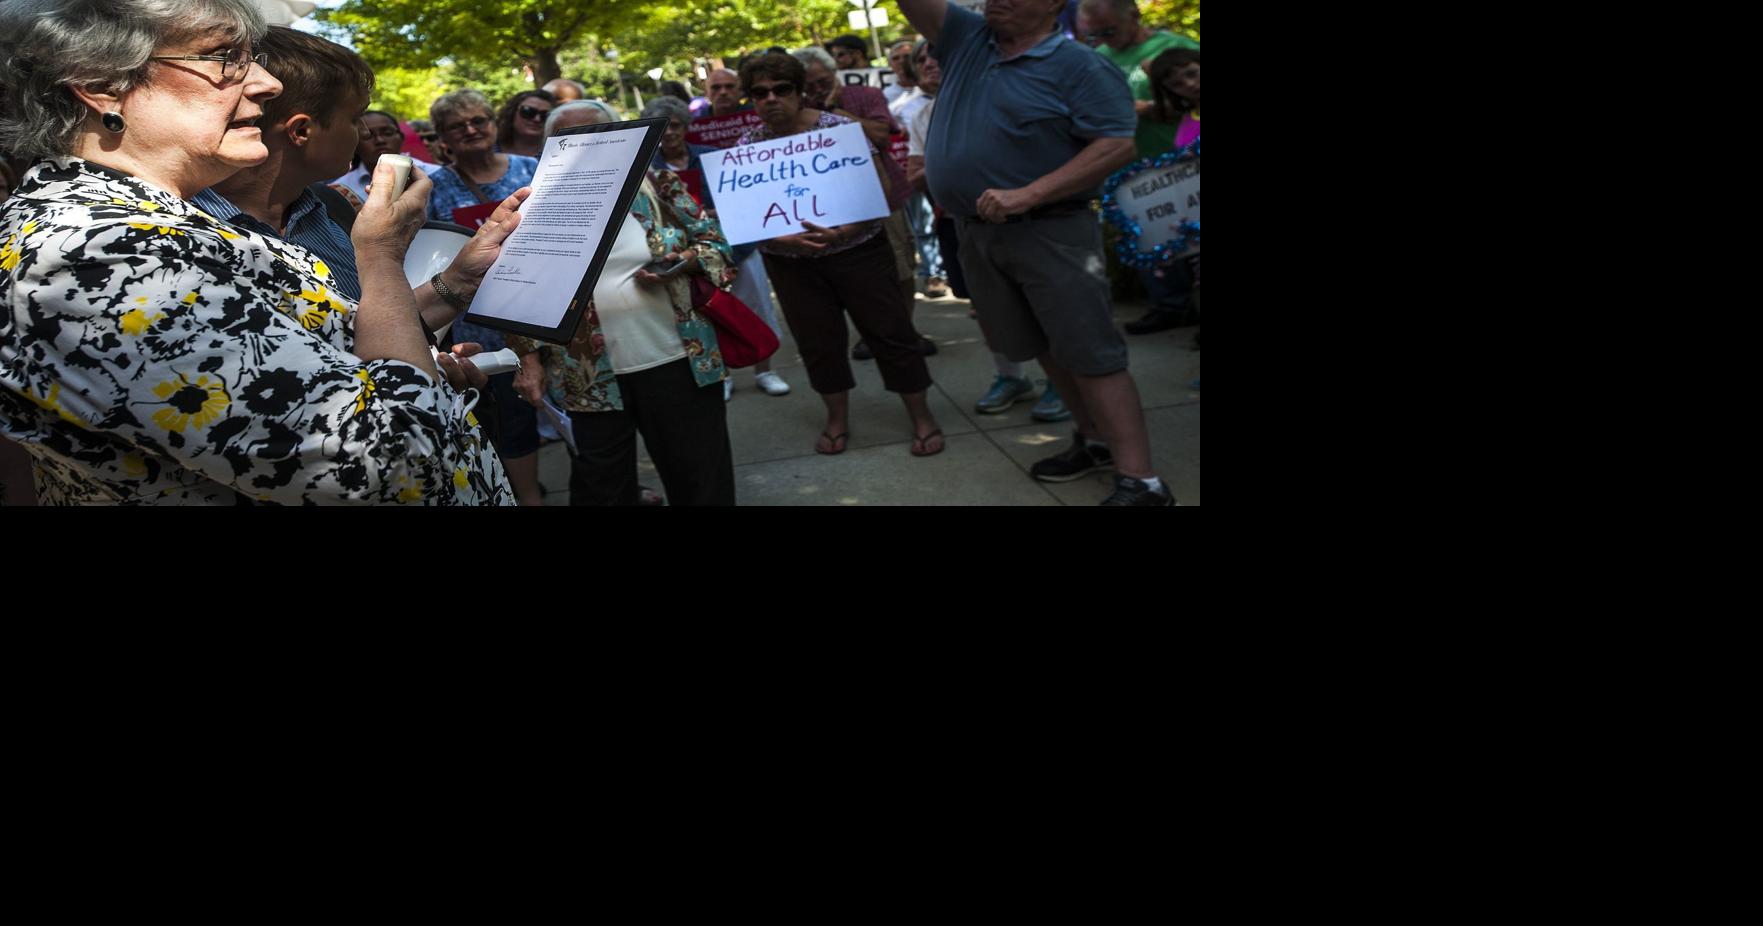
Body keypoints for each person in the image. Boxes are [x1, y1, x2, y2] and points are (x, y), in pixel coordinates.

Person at [0, 0, 521, 504]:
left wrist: (441, 320)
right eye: (224, 57)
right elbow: (389, 460)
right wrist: (381, 256)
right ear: (100, 85)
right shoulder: (91, 256)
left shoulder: (149, 226)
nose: (267, 84)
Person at [898, 0, 1175, 504]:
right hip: (978, 233)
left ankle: (1142, 481)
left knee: (1091, 353)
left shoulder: (1080, 65)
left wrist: (1030, 193)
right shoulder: (969, 39)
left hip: (1051, 231)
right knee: (1044, 345)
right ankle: (1093, 439)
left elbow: (1116, 145)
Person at [507, 102, 739, 506]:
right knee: (602, 488)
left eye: (598, 134)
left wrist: (684, 260)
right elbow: (518, 286)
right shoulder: (534, 207)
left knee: (700, 479)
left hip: (678, 361)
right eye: (569, 139)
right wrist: (529, 360)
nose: (586, 145)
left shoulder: (660, 186)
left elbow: (717, 246)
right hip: (588, 376)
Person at [736, 53, 945, 458]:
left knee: (891, 333)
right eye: (760, 93)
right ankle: (836, 420)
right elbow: (746, 215)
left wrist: (846, 230)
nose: (771, 99)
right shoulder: (747, 147)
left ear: (799, 92)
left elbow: (880, 187)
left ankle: (921, 416)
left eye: (781, 89)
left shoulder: (838, 129)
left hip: (859, 252)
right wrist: (783, 240)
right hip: (791, 263)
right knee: (818, 342)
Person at [641, 97, 792, 400]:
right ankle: (724, 375)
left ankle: (765, 370)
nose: (669, 132)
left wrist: (713, 212)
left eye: (675, 125)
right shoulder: (648, 170)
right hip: (689, 255)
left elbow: (745, 197)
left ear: (686, 126)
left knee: (756, 306)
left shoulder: (712, 156)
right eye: (663, 127)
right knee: (710, 313)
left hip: (738, 245)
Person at [1076, 0, 1199, 337]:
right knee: (1146, 236)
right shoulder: (1099, 57)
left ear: (1134, 15)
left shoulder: (1173, 46)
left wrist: (1146, 109)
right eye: (1095, 34)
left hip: (1180, 162)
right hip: (1127, 170)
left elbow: (1191, 99)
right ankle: (1169, 306)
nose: (1103, 39)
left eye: (1109, 30)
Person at [330, 109, 442, 204]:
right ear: (355, 144)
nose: (380, 140)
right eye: (368, 136)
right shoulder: (340, 188)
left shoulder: (437, 174)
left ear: (401, 138)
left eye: (388, 133)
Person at [495, 88, 555, 159]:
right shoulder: (489, 146)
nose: (537, 119)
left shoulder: (558, 152)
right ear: (512, 113)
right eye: (528, 112)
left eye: (545, 115)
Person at [884, 40, 919, 105]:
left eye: (907, 56)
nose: (901, 61)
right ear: (890, 65)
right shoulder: (885, 96)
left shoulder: (932, 88)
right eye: (895, 58)